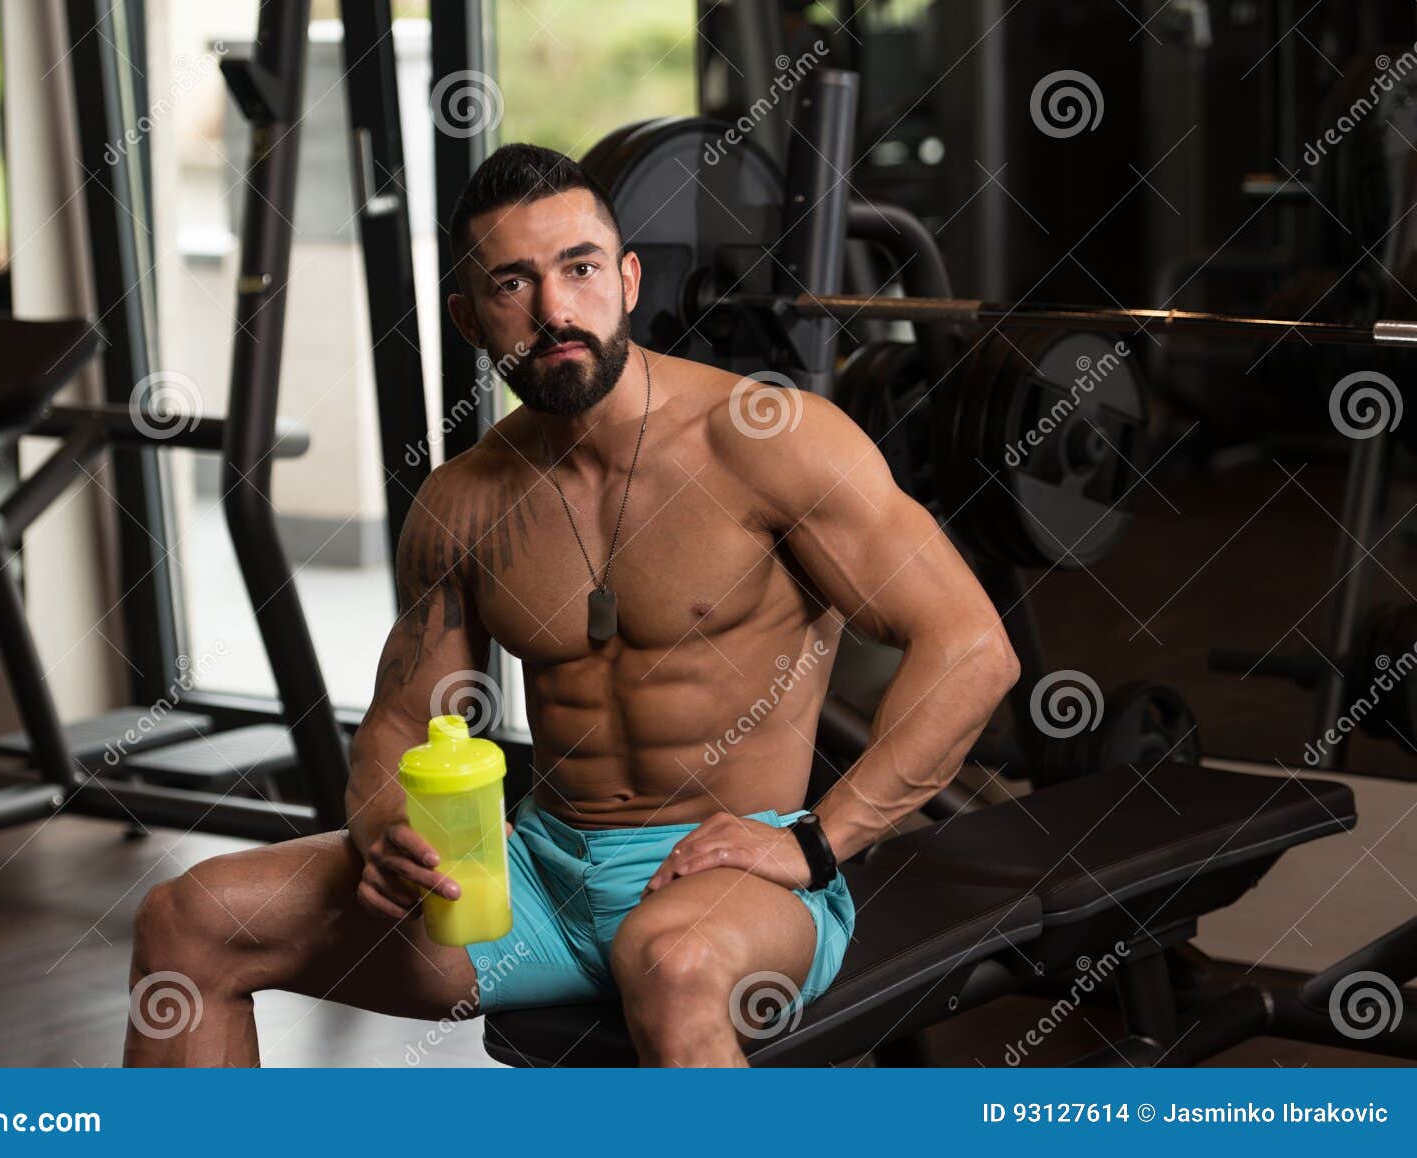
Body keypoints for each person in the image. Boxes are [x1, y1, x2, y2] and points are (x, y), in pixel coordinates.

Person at [124, 143, 1018, 1068]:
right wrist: (387, 828)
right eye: (513, 283)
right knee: (190, 919)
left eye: (580, 269)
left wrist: (819, 843)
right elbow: (397, 724)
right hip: (535, 884)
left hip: (731, 878)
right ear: (470, 318)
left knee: (671, 962)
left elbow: (971, 647)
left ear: (627, 280)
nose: (554, 310)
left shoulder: (765, 440)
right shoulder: (462, 502)